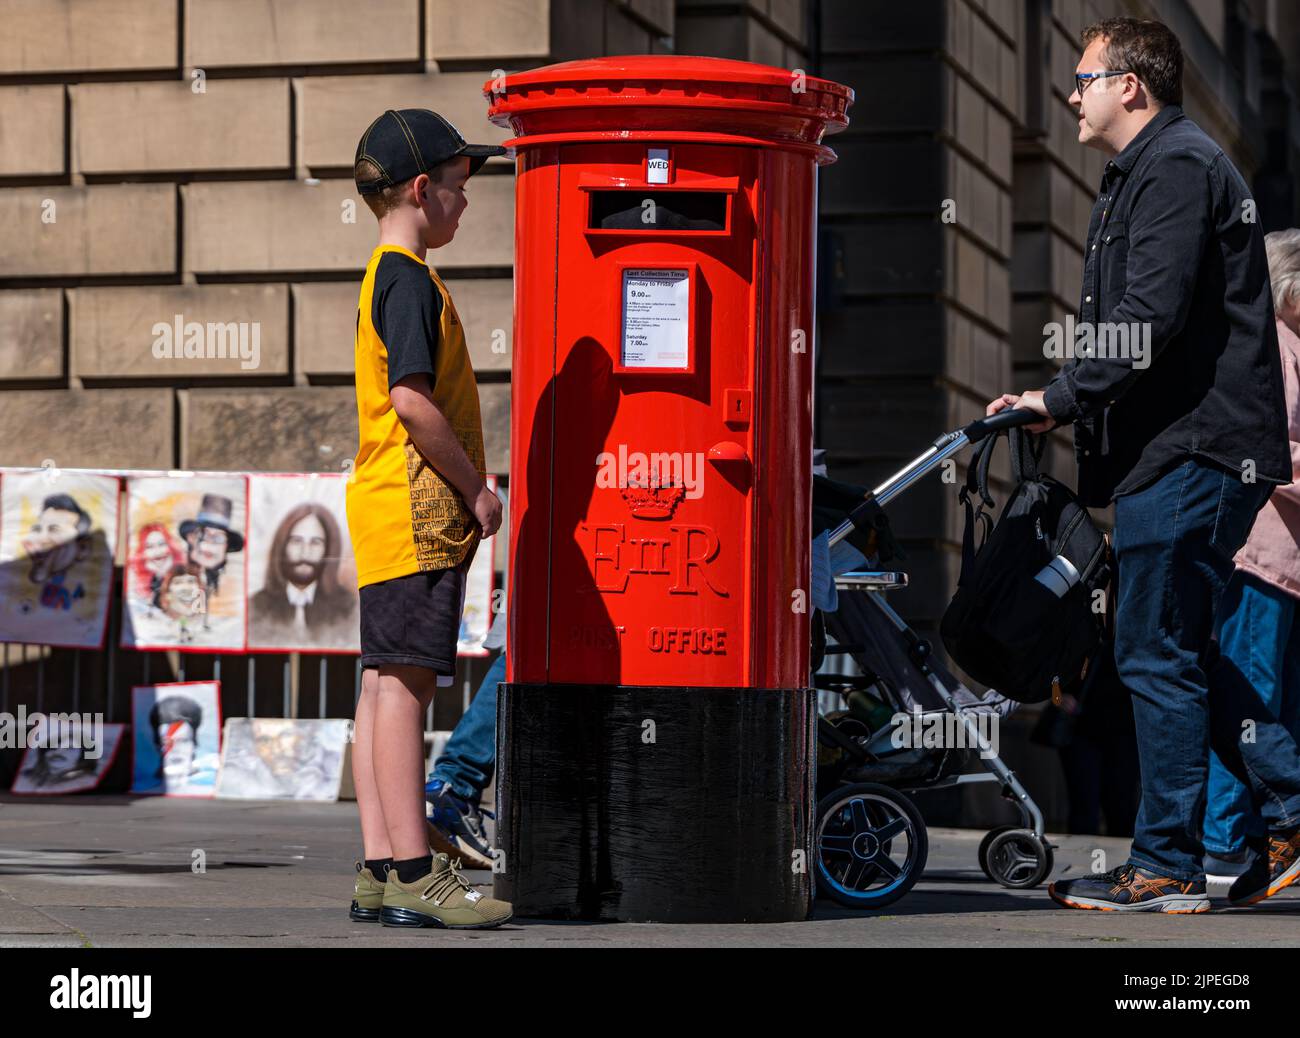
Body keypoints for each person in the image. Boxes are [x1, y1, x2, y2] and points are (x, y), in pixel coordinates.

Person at [985, 17, 1300, 912]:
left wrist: (1059, 396)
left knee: (1153, 653)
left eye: (1083, 79)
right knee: (1182, 644)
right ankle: (1290, 814)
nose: (1071, 94)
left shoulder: (1175, 166)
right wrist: (1070, 401)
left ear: (1131, 85)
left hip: (1195, 448)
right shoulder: (1156, 170)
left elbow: (1149, 318)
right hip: (1190, 448)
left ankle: (1167, 864)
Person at [344, 108, 512, 929]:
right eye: (457, 187)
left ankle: (381, 868)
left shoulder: (382, 274)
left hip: (381, 510)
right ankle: (417, 871)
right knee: (407, 686)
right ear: (420, 188)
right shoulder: (409, 277)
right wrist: (479, 490)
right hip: (417, 512)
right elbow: (413, 400)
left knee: (380, 684)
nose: (464, 204)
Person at [1201, 228, 1300, 893]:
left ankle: (1257, 845)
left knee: (1270, 700)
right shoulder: (1268, 344)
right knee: (1248, 697)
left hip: (1284, 563)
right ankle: (1226, 845)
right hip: (1259, 554)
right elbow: (1267, 447)